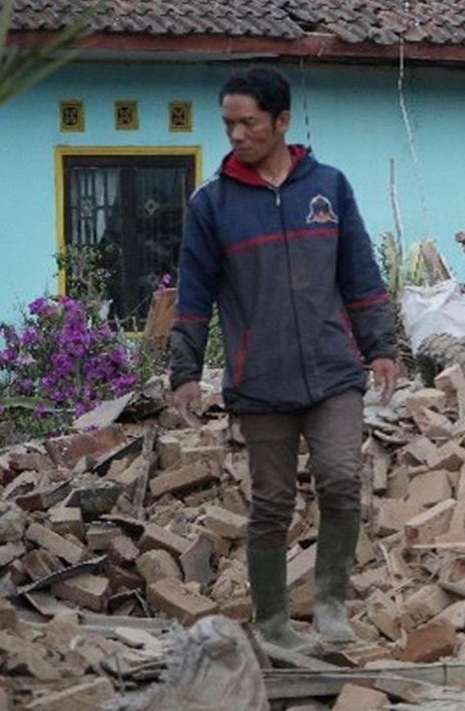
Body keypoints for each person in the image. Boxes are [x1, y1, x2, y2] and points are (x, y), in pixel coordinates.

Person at [169, 67, 398, 651]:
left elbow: (360, 275)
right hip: (260, 377)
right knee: (272, 503)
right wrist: (186, 372)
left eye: (248, 122)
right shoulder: (212, 204)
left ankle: (330, 606)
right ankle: (273, 624)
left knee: (343, 481)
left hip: (333, 371)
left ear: (282, 120)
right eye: (228, 123)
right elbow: (193, 294)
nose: (236, 134)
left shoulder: (329, 188)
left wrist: (381, 347)